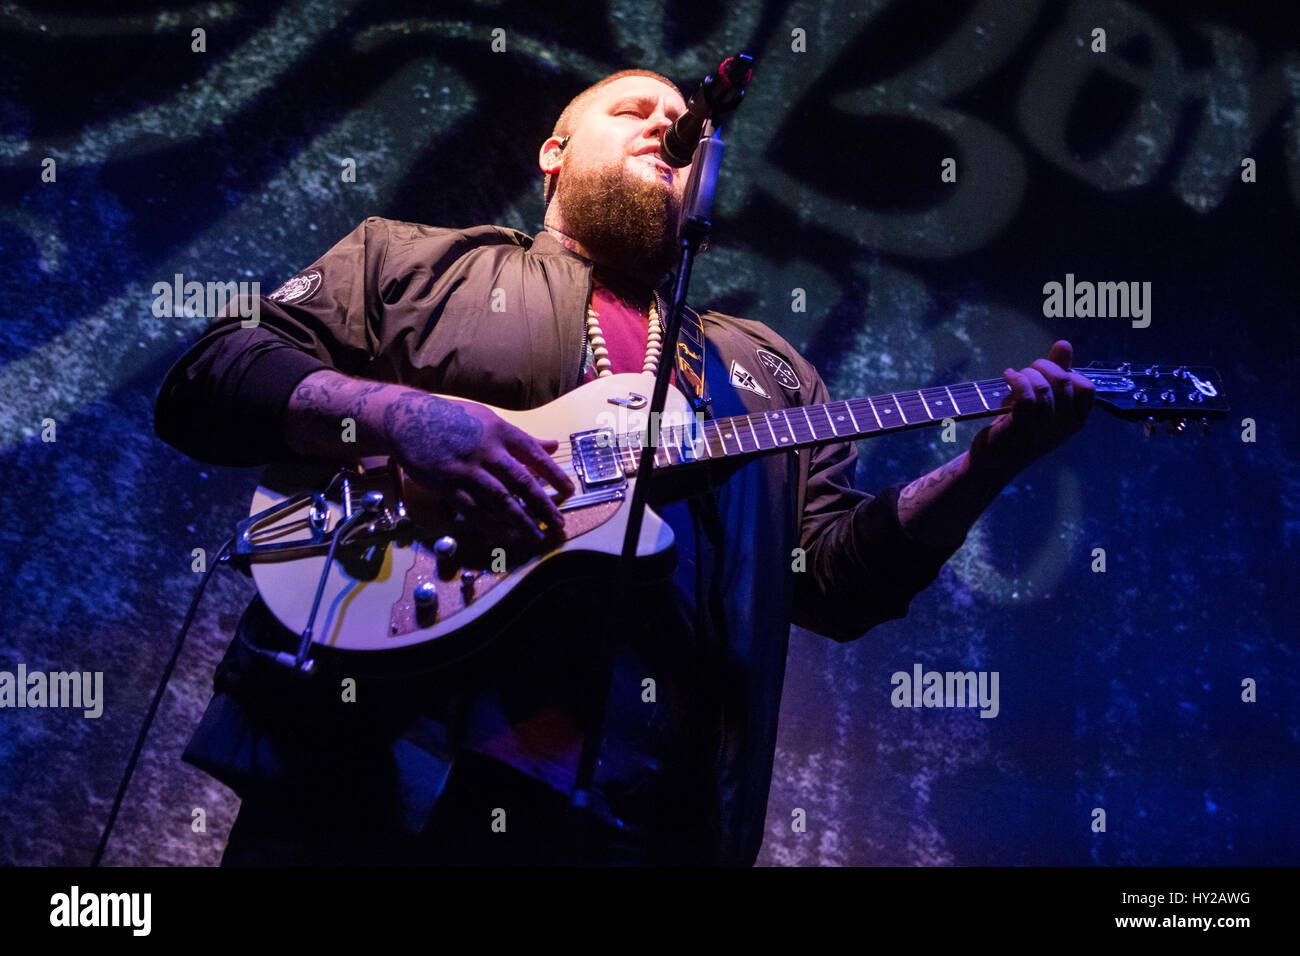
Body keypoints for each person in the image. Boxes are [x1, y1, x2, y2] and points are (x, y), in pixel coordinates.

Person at [154, 68, 1095, 866]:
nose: (663, 121)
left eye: (674, 121)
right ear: (553, 153)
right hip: (369, 774)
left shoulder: (765, 372)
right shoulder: (412, 263)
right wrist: (398, 415)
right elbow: (210, 378)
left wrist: (987, 465)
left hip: (638, 827)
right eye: (629, 109)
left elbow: (837, 581)